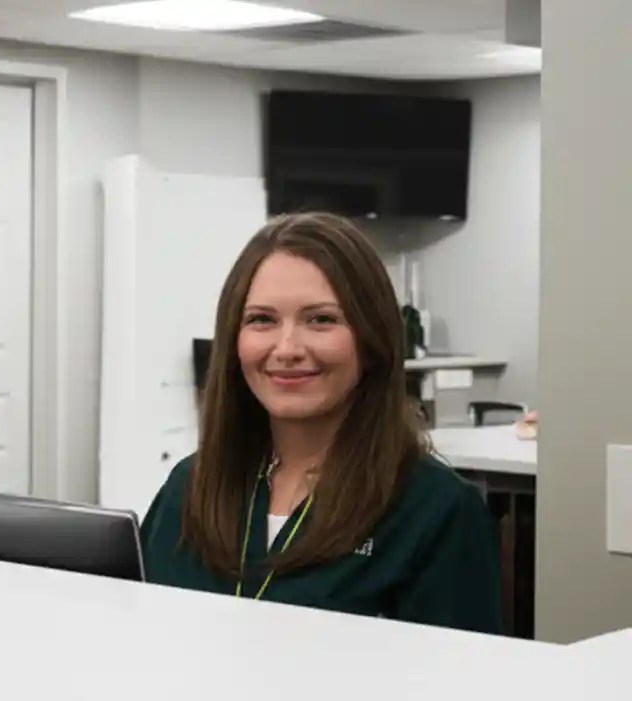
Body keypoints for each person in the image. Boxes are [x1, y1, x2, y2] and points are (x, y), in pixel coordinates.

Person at [140, 212, 502, 634]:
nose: (287, 348)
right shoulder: (188, 487)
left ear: (373, 338)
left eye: (321, 320)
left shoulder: (436, 511)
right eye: (262, 319)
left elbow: (461, 690)